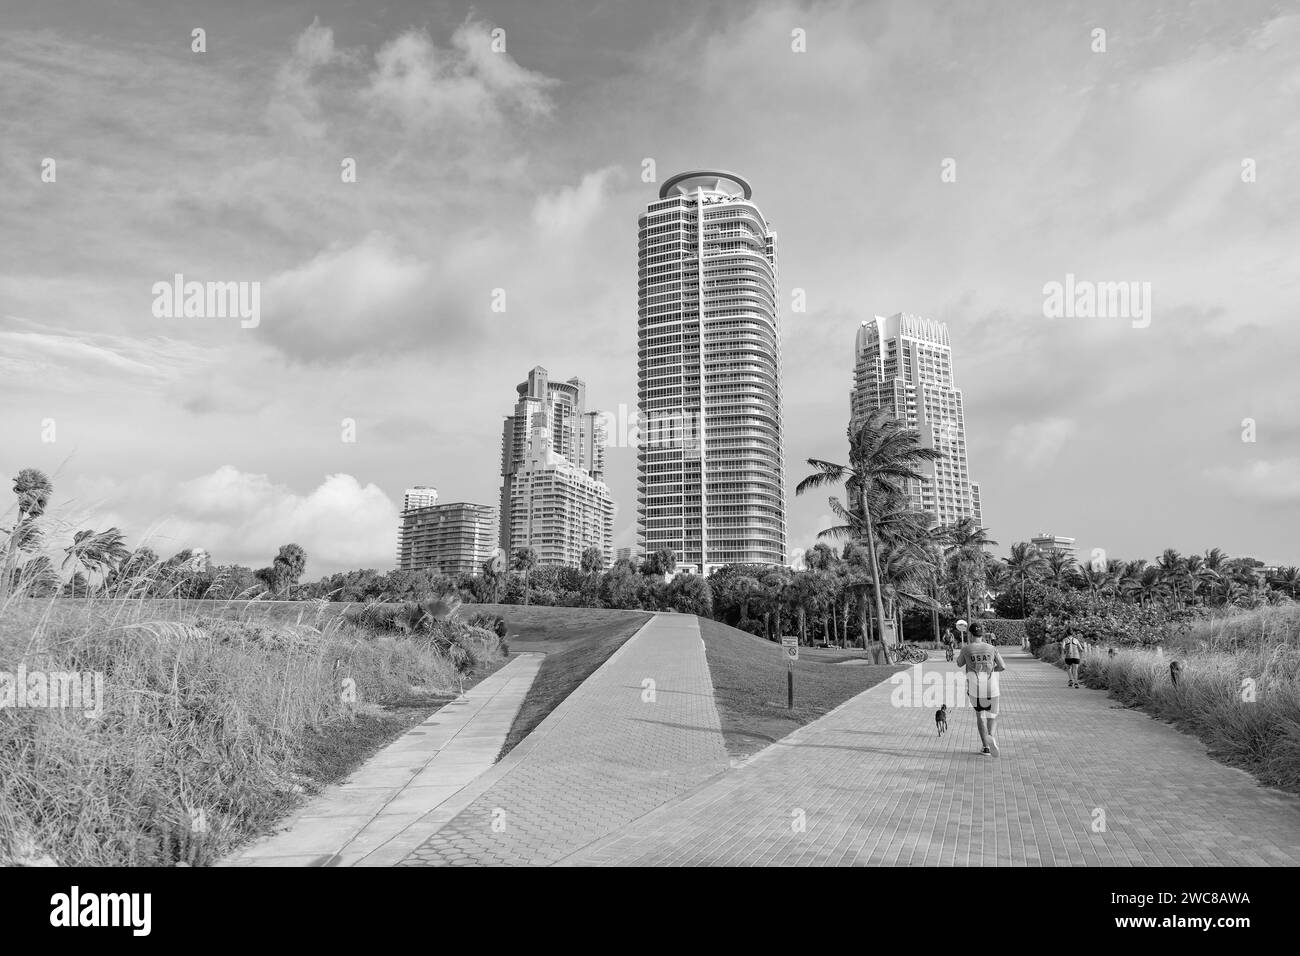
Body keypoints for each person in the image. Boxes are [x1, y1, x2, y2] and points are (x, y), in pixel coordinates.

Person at [954, 625, 1007, 756]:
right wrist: (992, 670)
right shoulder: (992, 648)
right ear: (982, 635)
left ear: (971, 635)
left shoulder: (966, 649)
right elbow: (1003, 666)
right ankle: (991, 736)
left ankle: (986, 747)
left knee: (980, 716)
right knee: (992, 716)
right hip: (992, 688)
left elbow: (959, 663)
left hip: (975, 689)